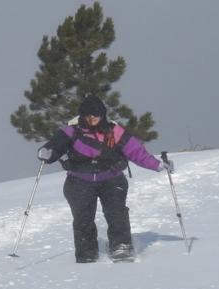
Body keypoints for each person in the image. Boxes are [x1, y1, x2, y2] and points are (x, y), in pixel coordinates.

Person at [38, 96, 166, 263]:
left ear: (103, 114)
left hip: (111, 180)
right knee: (83, 217)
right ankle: (86, 251)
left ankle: (121, 246)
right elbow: (54, 146)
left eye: (96, 115)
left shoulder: (115, 131)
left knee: (116, 213)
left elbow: (136, 152)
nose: (92, 119)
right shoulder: (71, 131)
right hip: (79, 181)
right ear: (82, 115)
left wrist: (158, 165)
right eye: (87, 115)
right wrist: (47, 153)